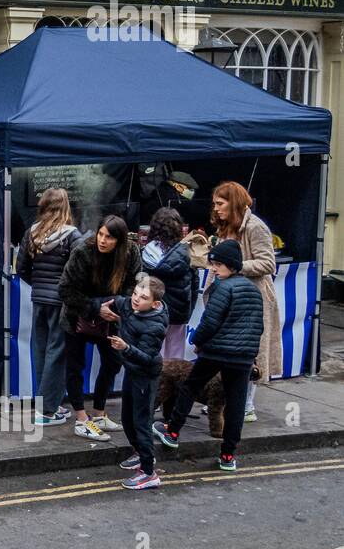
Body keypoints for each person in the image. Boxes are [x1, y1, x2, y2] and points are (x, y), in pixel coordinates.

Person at [154, 240, 263, 471]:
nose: (214, 268)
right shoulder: (254, 290)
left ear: (231, 266)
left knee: (190, 386)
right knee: (235, 404)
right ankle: (228, 456)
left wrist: (197, 341)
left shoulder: (222, 288)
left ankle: (172, 432)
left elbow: (210, 322)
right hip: (243, 357)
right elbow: (258, 327)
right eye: (213, 264)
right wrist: (251, 354)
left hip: (217, 351)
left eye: (219, 265)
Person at [57, 214, 141, 441]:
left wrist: (116, 306)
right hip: (78, 317)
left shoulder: (131, 252)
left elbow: (133, 285)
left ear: (120, 241)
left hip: (111, 317)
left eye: (110, 237)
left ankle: (99, 413)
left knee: (113, 362)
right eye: (101, 234)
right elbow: (65, 290)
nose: (103, 240)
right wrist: (95, 307)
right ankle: (82, 419)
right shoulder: (83, 251)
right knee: (76, 366)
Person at [210, 181, 280, 423]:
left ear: (234, 203)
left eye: (220, 203)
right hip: (229, 298)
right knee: (227, 350)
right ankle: (224, 401)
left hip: (253, 299)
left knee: (251, 353)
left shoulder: (256, 227)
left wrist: (235, 267)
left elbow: (268, 264)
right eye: (215, 204)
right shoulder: (226, 227)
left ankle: (247, 405)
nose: (216, 208)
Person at [18, 187, 81, 426]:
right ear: (65, 207)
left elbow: (22, 267)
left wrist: (39, 286)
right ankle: (47, 410)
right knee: (57, 353)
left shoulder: (31, 233)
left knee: (41, 351)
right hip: (61, 302)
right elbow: (78, 270)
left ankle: (48, 403)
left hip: (39, 300)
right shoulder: (72, 236)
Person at [105, 275, 168, 490]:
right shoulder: (132, 306)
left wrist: (126, 348)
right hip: (132, 371)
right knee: (127, 418)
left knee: (142, 422)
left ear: (155, 303)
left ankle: (149, 472)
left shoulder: (155, 326)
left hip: (145, 376)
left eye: (142, 297)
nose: (135, 299)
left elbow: (148, 357)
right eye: (135, 294)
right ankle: (140, 454)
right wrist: (100, 306)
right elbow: (117, 300)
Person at [141, 207, 197, 360]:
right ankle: (172, 383)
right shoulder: (186, 254)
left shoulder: (147, 253)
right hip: (178, 314)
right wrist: (188, 311)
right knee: (175, 356)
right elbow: (194, 285)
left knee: (153, 353)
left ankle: (153, 384)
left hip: (153, 311)